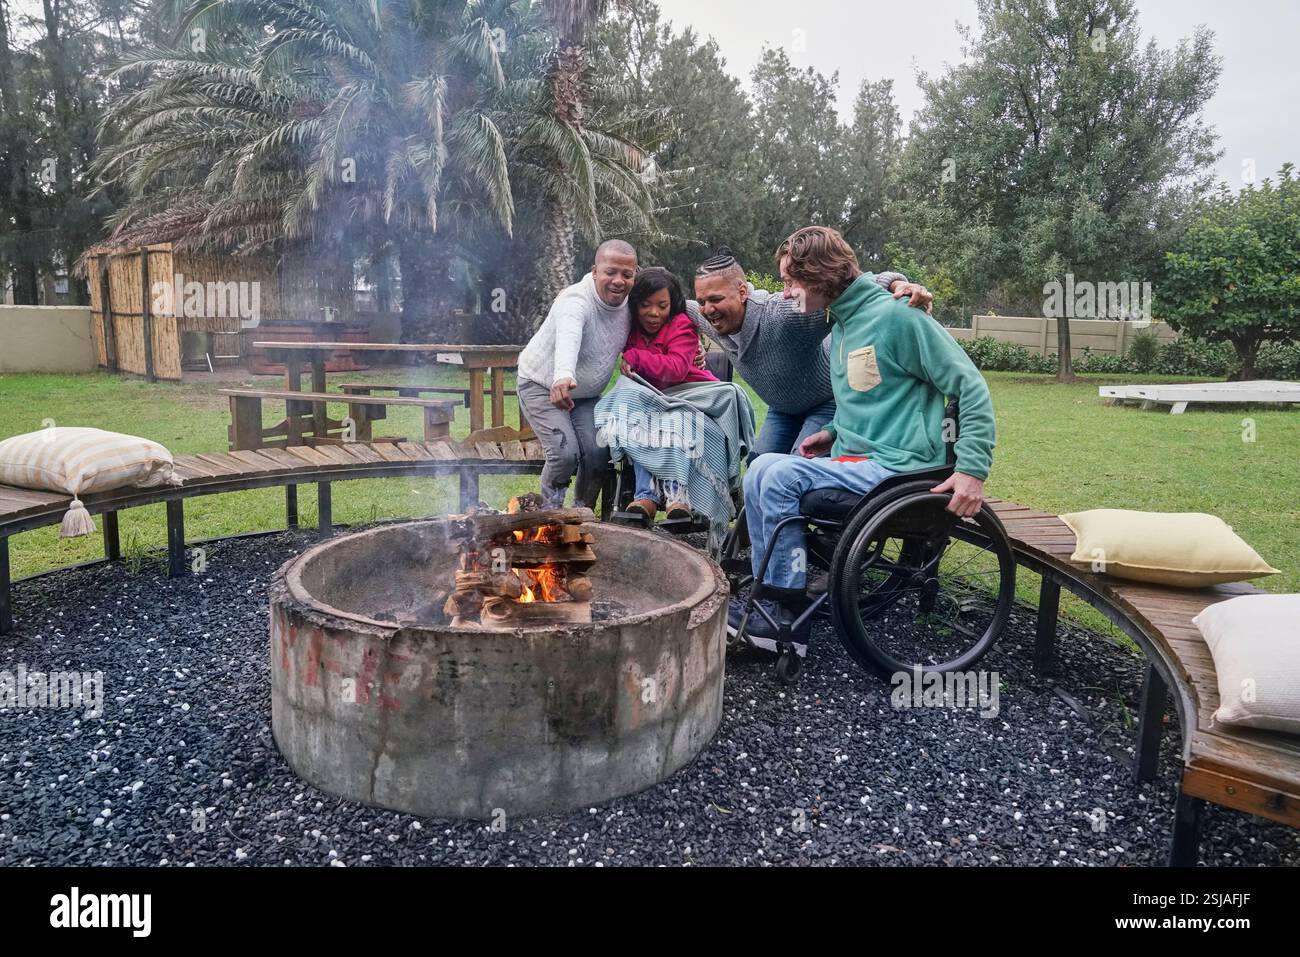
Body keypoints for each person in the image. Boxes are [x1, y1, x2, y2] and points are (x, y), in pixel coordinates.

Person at [732, 226, 996, 645]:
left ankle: (786, 613)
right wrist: (833, 432)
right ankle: (771, 597)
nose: (784, 294)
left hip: (903, 468)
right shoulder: (840, 325)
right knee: (760, 468)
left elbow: (970, 386)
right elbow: (874, 395)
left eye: (789, 282)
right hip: (860, 461)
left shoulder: (898, 316)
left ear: (818, 277)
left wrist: (972, 471)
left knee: (780, 475)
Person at [687, 248, 933, 460]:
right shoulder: (706, 315)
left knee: (798, 466)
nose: (708, 309)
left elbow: (850, 289)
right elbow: (670, 298)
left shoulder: (785, 315)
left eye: (716, 299)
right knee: (757, 466)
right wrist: (691, 342)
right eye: (702, 301)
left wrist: (897, 283)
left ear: (742, 292)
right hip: (782, 408)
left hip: (826, 402)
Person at [516, 240, 637, 509]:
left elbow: (675, 302)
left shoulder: (633, 301)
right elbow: (569, 335)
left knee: (598, 451)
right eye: (610, 272)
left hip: (587, 394)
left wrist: (696, 341)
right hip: (542, 384)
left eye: (626, 275)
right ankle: (549, 516)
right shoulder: (575, 300)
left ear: (634, 275)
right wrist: (562, 376)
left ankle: (582, 514)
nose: (618, 281)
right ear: (595, 271)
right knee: (563, 454)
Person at [618, 267, 719, 521]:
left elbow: (675, 370)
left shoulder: (681, 325)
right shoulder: (631, 330)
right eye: (645, 305)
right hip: (653, 401)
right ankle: (645, 498)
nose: (653, 313)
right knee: (638, 423)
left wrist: (635, 356)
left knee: (675, 424)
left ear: (672, 305)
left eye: (662, 306)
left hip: (688, 396)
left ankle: (676, 497)